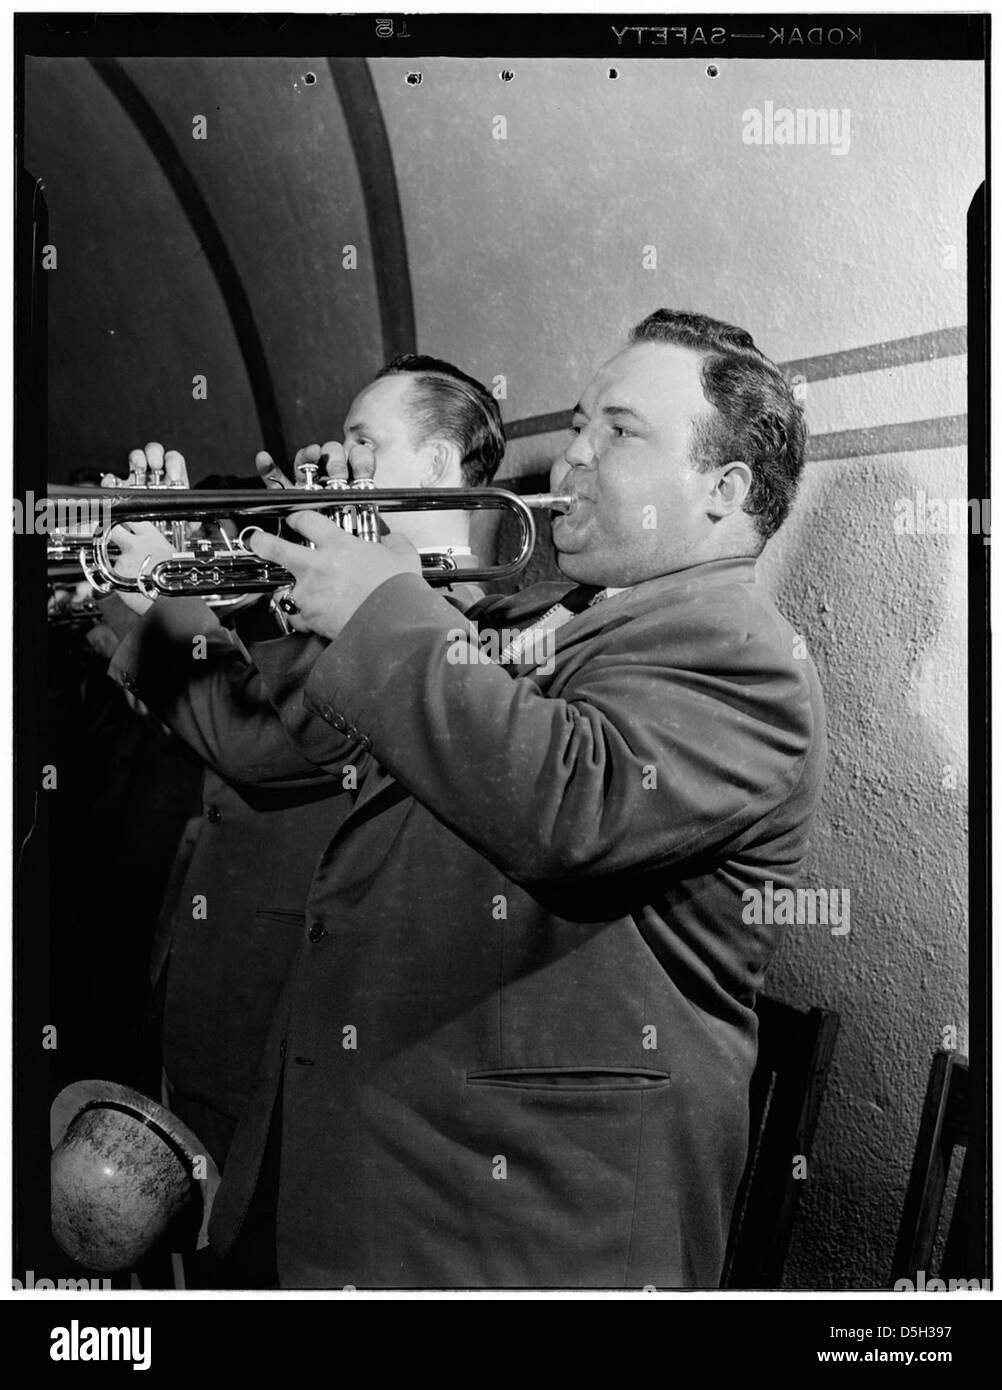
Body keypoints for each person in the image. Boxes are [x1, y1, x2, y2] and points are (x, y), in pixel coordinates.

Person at [107, 310, 825, 1289]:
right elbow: (378, 733)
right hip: (382, 1170)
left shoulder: (744, 655)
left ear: (723, 490)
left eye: (619, 430)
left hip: (517, 1227)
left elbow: (565, 801)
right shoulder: (552, 623)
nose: (572, 453)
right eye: (579, 421)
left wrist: (378, 605)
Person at [91, 355, 505, 1176]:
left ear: (433, 467)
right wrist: (146, 572)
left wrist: (152, 594)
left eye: (362, 443)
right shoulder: (330, 601)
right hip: (208, 973)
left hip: (281, 1022)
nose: (331, 462)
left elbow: (262, 747)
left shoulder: (445, 620)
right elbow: (222, 706)